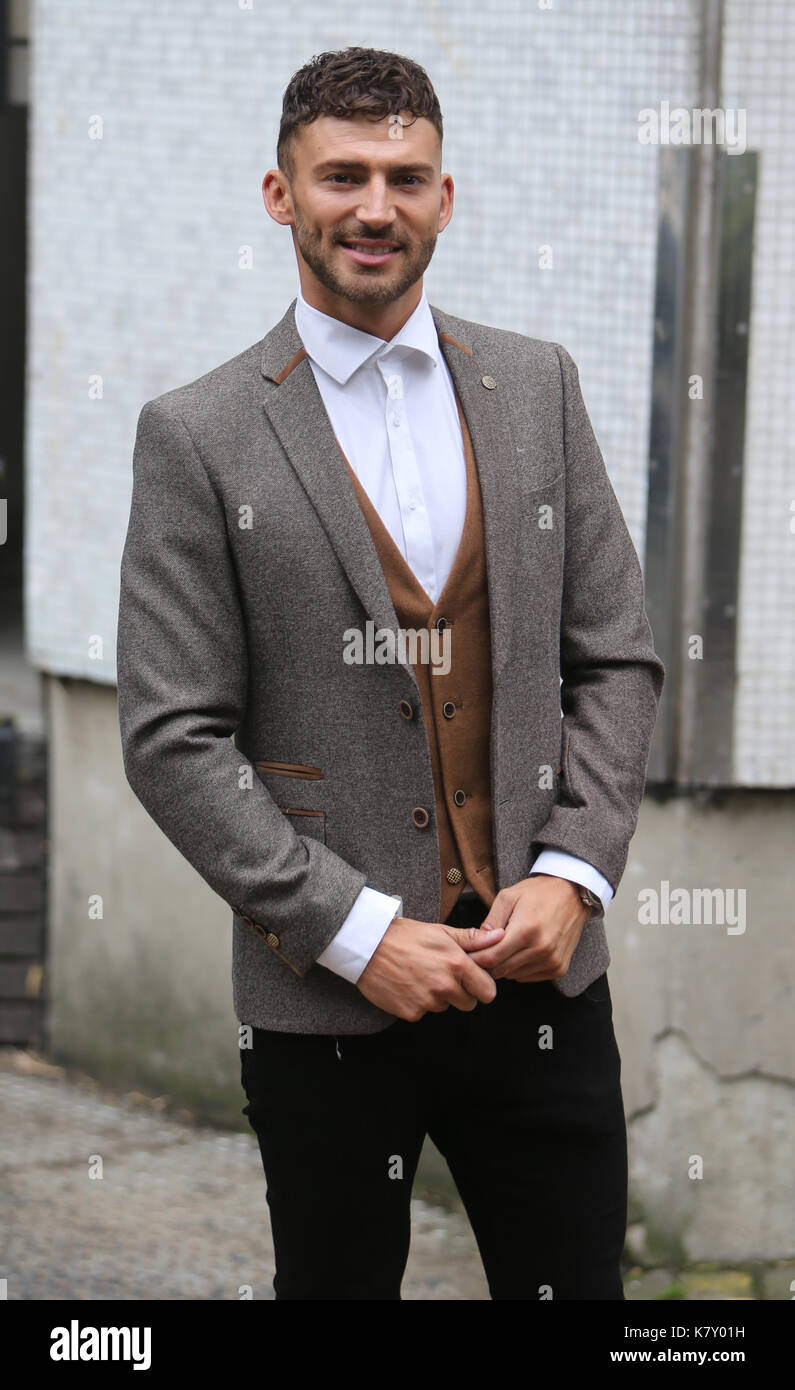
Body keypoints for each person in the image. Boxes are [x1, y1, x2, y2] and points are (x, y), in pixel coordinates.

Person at [116, 45, 665, 1300]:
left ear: (445, 197)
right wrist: (359, 935)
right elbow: (173, 736)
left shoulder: (538, 387)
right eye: (343, 176)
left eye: (405, 177)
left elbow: (618, 655)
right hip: (326, 1007)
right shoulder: (197, 434)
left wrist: (573, 873)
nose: (376, 208)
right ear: (280, 194)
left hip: (541, 979)